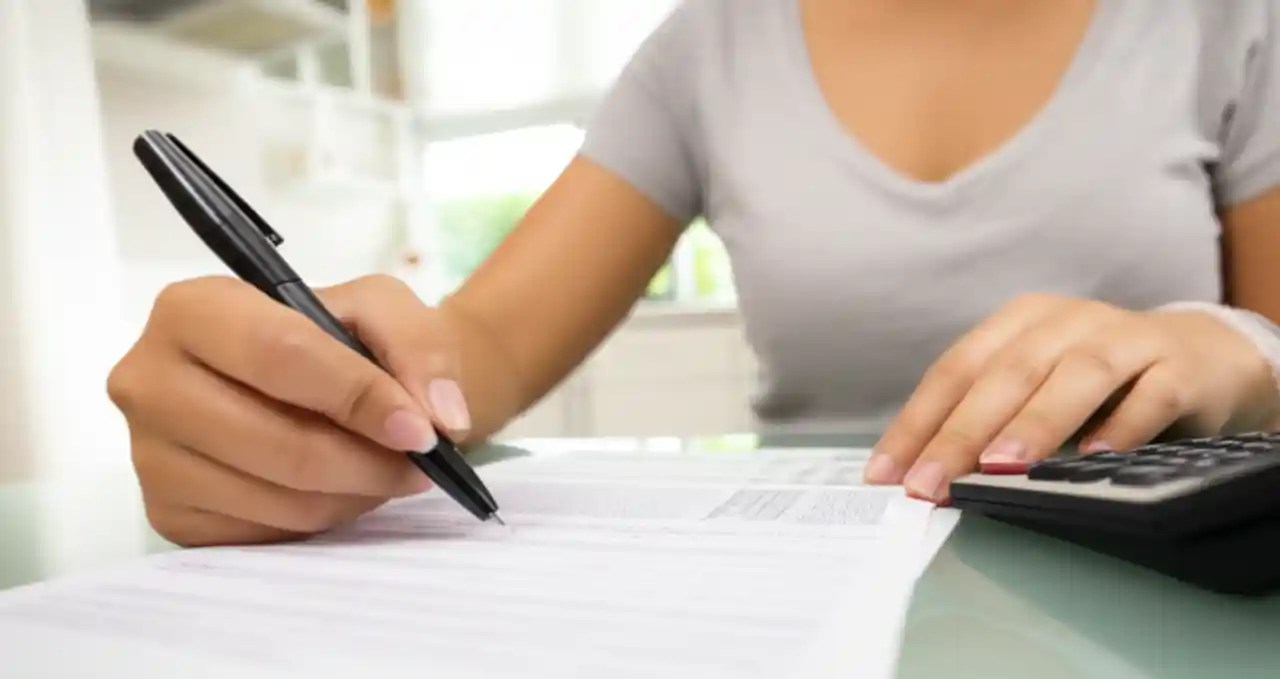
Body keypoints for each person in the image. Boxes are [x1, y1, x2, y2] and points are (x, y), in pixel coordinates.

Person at [108, 0, 1280, 547]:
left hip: (1175, 570)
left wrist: (1228, 344)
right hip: (808, 570)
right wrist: (320, 380)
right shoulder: (706, 47)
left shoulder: (1226, 20)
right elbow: (486, 350)